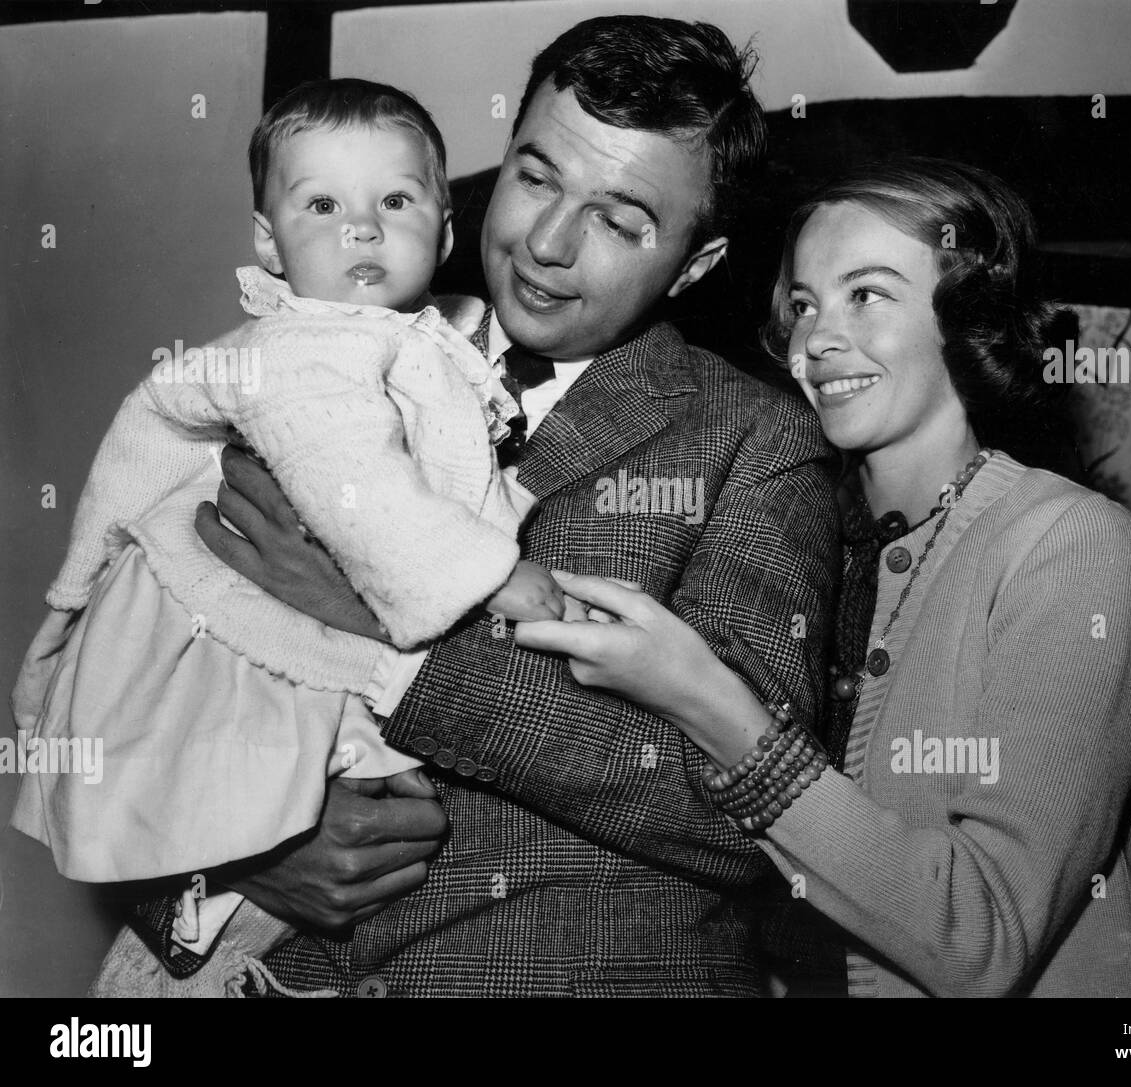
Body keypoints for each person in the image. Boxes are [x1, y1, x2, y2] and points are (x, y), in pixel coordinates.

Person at [122, 16, 839, 996]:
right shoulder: (324, 348)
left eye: (620, 220)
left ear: (695, 264)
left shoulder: (756, 443)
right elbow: (144, 678)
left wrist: (398, 654)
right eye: (536, 177)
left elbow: (751, 815)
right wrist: (234, 859)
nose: (547, 243)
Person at [518, 158, 1131, 997]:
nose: (815, 340)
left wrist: (705, 699)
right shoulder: (804, 542)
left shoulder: (1072, 544)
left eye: (866, 294)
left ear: (966, 317)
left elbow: (983, 937)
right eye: (802, 305)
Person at [11, 78, 565, 995]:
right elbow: (359, 491)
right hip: (232, 622)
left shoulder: (407, 337)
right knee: (259, 804)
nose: (362, 230)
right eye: (322, 205)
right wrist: (495, 575)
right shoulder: (301, 351)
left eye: (395, 200)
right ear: (268, 240)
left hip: (309, 632)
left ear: (445, 224)